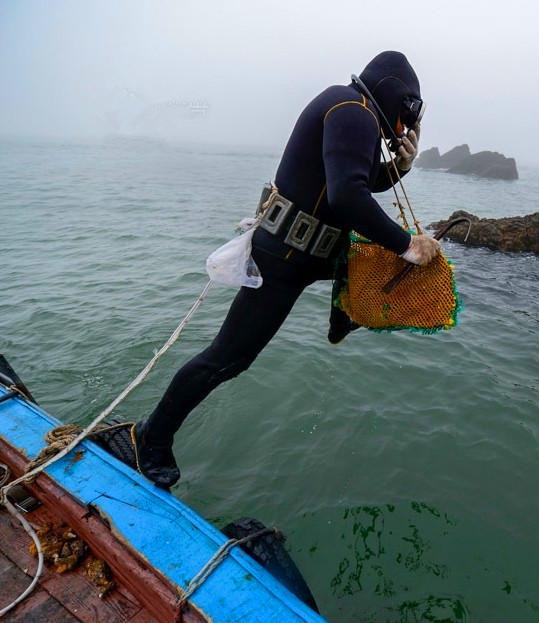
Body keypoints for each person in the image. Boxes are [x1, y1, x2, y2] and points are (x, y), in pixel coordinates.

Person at [131, 51, 439, 489]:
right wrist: (409, 244)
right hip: (286, 258)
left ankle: (344, 313)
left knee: (371, 259)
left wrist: (400, 167)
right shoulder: (354, 111)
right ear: (398, 96)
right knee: (227, 358)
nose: (407, 125)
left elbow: (355, 176)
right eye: (410, 112)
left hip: (310, 253)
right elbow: (348, 196)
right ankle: (152, 438)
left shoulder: (355, 111)